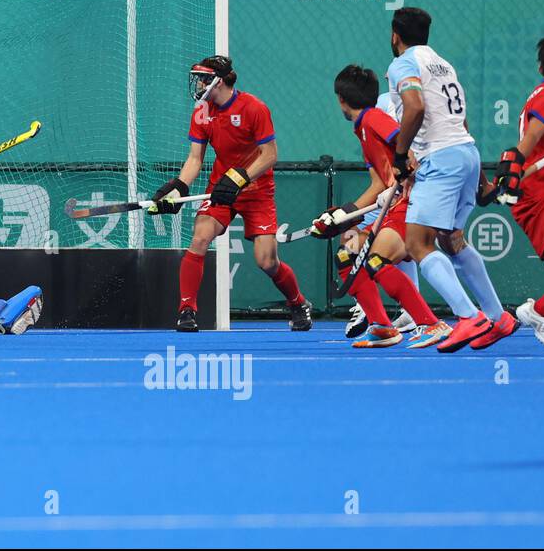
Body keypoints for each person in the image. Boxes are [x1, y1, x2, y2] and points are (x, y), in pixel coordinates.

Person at [384, 7, 516, 353]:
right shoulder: (443, 64)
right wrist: (482, 182)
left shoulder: (403, 64)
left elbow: (414, 108)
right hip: (466, 154)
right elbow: (461, 124)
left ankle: (468, 316)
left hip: (441, 159)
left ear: (395, 35)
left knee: (417, 243)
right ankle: (496, 316)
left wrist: (399, 155)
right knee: (450, 238)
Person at [151, 55, 312, 333]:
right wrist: (179, 186)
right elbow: (194, 159)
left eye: (203, 78)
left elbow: (270, 155)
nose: (199, 84)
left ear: (220, 80)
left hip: (257, 190)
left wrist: (241, 177)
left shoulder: (254, 108)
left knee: (266, 261)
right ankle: (186, 310)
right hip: (220, 188)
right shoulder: (201, 111)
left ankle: (298, 303)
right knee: (201, 236)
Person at [317, 65, 450, 348]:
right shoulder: (362, 128)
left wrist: (399, 181)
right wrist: (343, 215)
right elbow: (377, 184)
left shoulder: (374, 118)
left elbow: (408, 154)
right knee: (346, 254)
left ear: (341, 99)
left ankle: (430, 323)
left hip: (412, 202)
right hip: (395, 203)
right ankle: (381, 326)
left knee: (377, 261)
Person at [497, 34, 544, 350]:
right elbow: (530, 139)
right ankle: (539, 314)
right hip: (539, 194)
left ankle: (540, 312)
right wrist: (515, 167)